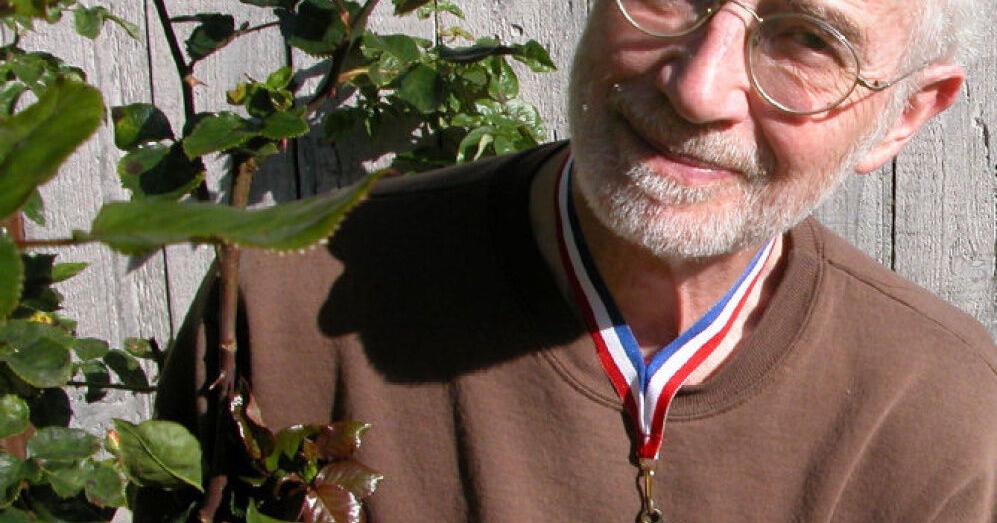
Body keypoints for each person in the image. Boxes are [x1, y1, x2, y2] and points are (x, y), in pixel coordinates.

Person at [156, 0, 996, 521]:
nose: (697, 88)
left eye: (807, 40)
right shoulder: (282, 304)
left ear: (902, 116)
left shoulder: (941, 417)